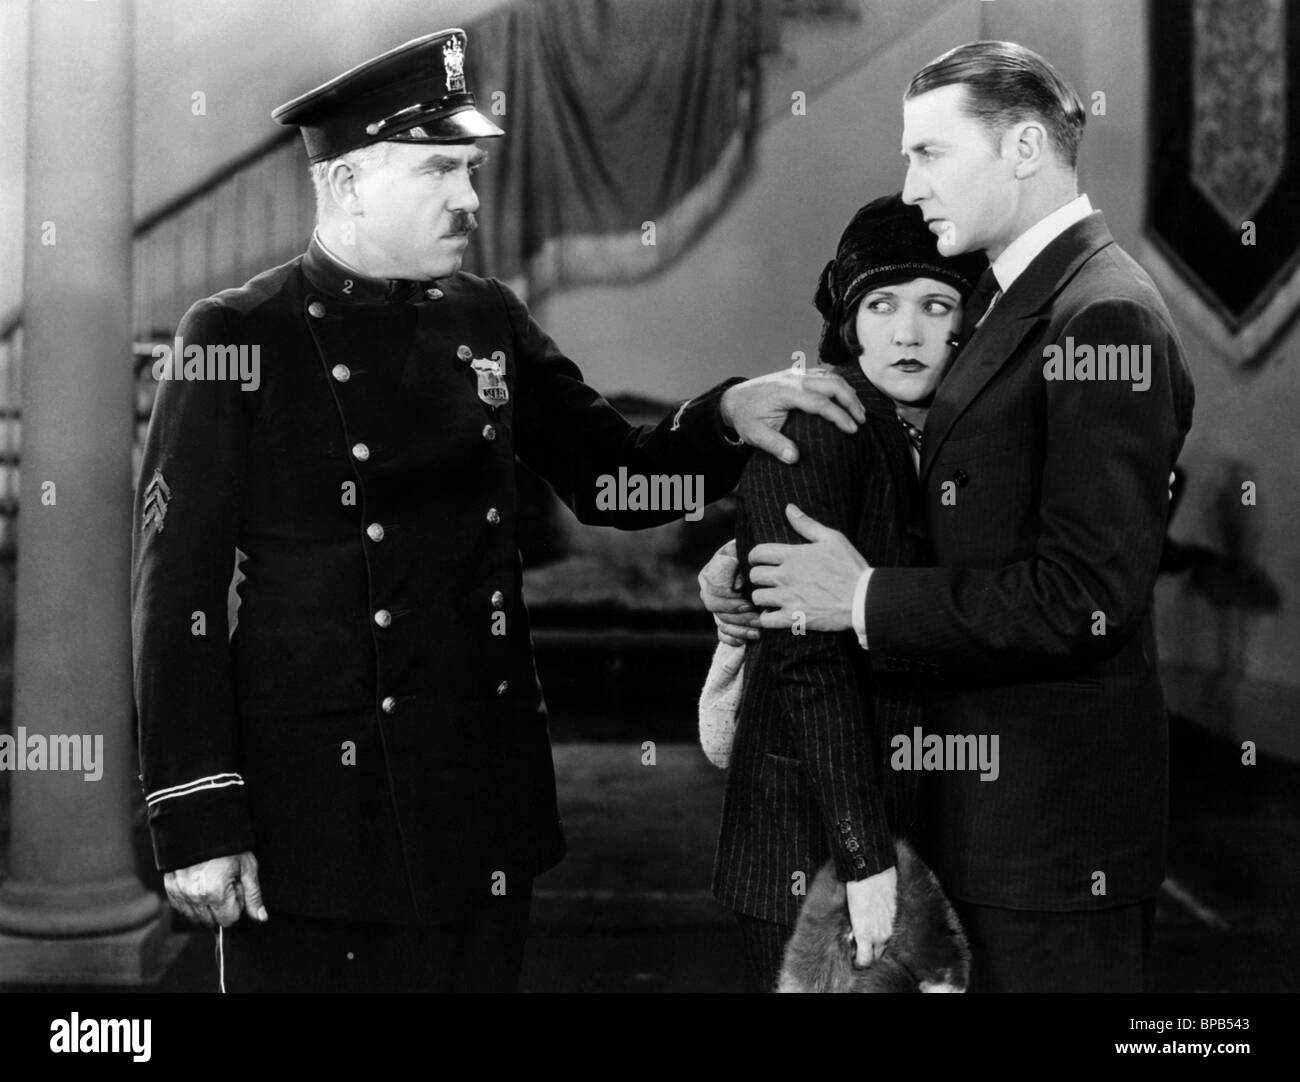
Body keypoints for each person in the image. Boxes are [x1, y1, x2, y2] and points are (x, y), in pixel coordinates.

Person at [131, 28, 867, 993]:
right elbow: (173, 593)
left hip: (477, 802)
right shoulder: (234, 335)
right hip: (316, 814)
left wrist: (722, 417)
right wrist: (198, 816)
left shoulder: (485, 316)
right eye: (439, 171)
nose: (471, 199)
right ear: (346, 184)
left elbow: (613, 480)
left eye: (471, 169)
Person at [701, 41, 1195, 993]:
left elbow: (1087, 596)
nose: (910, 182)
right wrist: (749, 561)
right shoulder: (1018, 303)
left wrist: (866, 598)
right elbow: (942, 506)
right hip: (967, 824)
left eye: (928, 152)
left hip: (1045, 843)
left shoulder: (1101, 317)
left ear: (1020, 148)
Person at [708, 194, 984, 992]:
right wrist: (865, 861)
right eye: (881, 305)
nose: (907, 332)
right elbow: (806, 660)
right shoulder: (823, 420)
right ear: (849, 320)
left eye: (937, 305)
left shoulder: (934, 428)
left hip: (899, 820)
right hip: (813, 842)